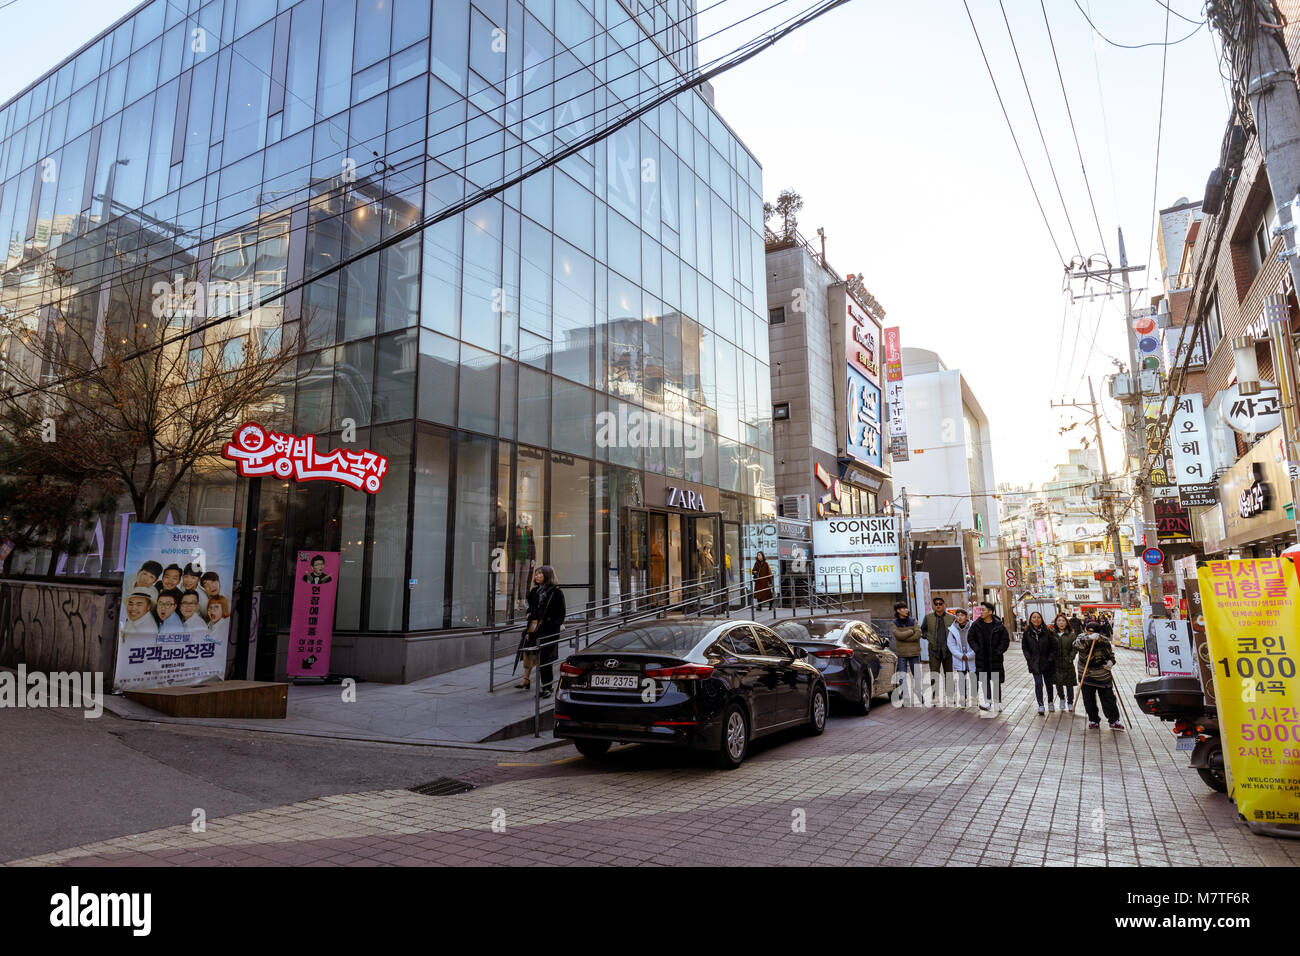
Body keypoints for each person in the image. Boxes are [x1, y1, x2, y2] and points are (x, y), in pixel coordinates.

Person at [525, 565, 566, 699]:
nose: (536, 576)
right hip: (537, 630)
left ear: (547, 576)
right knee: (540, 659)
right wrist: (529, 617)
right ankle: (546, 686)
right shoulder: (535, 592)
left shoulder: (556, 592)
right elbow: (531, 610)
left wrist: (553, 624)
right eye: (536, 574)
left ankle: (547, 687)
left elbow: (561, 613)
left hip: (550, 630)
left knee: (545, 658)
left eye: (539, 574)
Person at [1074, 621, 1124, 730]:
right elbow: (1077, 645)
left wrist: (1111, 662)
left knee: (1109, 699)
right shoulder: (1082, 637)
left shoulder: (1104, 640)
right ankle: (1093, 720)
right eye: (1088, 631)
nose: (1089, 633)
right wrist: (1089, 638)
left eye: (1093, 632)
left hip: (1103, 675)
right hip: (1086, 674)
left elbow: (1111, 655)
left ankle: (1114, 720)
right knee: (1089, 699)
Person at [969, 601, 1010, 713]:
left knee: (996, 680)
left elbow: (1005, 640)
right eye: (980, 610)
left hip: (995, 657)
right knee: (985, 680)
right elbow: (971, 638)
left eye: (983, 610)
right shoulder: (976, 625)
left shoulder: (998, 625)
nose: (981, 612)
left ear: (990, 612)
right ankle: (987, 702)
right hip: (982, 657)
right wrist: (977, 649)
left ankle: (997, 703)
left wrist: (999, 651)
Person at [1021, 611, 1056, 715]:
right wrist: (1029, 659)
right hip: (1034, 662)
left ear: (1041, 619)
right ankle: (1040, 704)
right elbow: (1024, 647)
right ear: (1030, 620)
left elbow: (1054, 647)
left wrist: (1050, 659)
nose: (1036, 619)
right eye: (1034, 617)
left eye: (1038, 617)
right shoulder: (1027, 633)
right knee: (1038, 684)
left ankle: (1050, 702)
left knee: (1049, 684)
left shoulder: (1047, 632)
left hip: (1047, 662)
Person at [921, 597, 955, 701]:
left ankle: (950, 696)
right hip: (934, 650)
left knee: (949, 673)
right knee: (934, 673)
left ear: (944, 605)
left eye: (940, 603)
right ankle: (935, 695)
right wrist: (929, 637)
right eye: (936, 604)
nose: (938, 605)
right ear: (933, 606)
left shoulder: (951, 618)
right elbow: (923, 630)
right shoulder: (928, 617)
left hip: (948, 650)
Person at [891, 602, 923, 706]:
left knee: (917, 675)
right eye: (903, 608)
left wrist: (905, 637)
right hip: (902, 653)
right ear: (898, 610)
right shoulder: (895, 622)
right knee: (902, 676)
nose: (906, 610)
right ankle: (906, 697)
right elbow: (898, 636)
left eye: (906, 608)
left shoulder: (913, 620)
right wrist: (910, 631)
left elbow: (918, 634)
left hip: (914, 652)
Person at [946, 607, 977, 707]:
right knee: (961, 678)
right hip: (960, 658)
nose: (959, 617)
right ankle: (963, 697)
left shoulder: (973, 627)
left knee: (973, 678)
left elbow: (978, 642)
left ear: (966, 617)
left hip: (972, 657)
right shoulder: (952, 629)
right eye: (957, 615)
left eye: (962, 615)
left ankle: (974, 697)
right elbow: (951, 644)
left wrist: (969, 655)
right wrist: (960, 655)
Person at [1048, 612, 1077, 712]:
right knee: (1058, 683)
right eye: (1059, 620)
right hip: (1056, 663)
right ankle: (1062, 699)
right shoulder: (1052, 634)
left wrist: (1070, 658)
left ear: (1067, 623)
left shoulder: (1072, 635)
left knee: (1069, 684)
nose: (1061, 623)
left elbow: (1075, 648)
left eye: (1063, 621)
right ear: (1055, 622)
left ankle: (1070, 702)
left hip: (1067, 663)